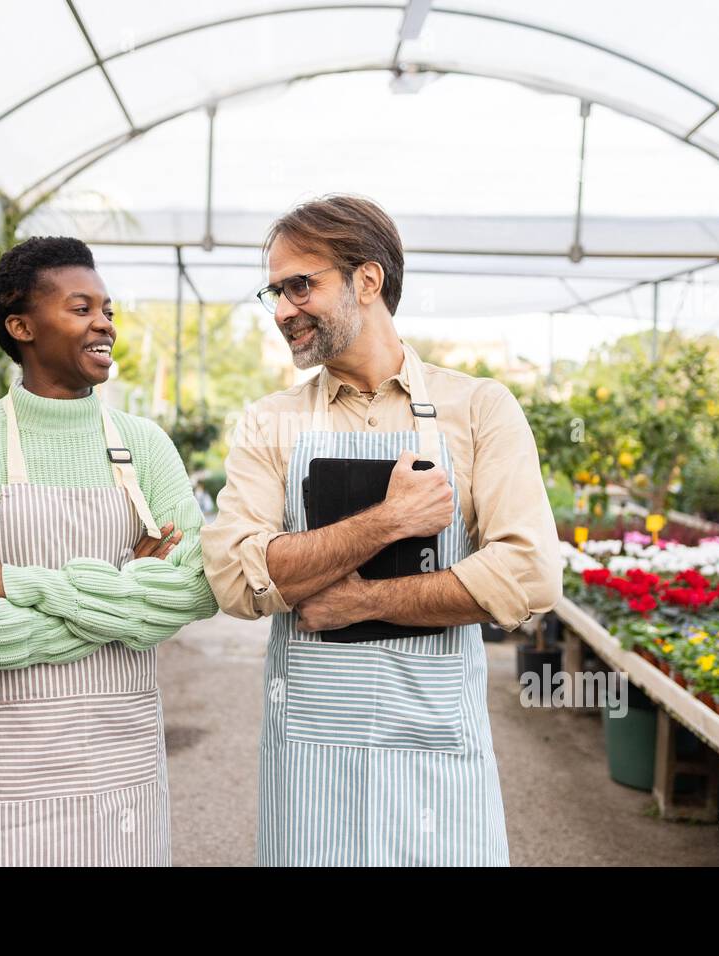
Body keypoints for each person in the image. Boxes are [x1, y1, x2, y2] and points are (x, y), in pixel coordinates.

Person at [201, 195, 562, 866]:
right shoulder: (269, 421)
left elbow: (528, 575)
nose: (281, 310)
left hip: (434, 744)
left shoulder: (479, 407)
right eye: (274, 292)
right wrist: (391, 520)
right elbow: (233, 577)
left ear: (368, 281)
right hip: (311, 749)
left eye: (300, 285)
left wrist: (362, 602)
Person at [0, 236, 218, 866]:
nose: (104, 323)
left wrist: (9, 583)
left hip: (122, 761)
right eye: (81, 309)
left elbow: (195, 588)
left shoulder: (144, 445)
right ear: (22, 326)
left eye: (107, 309)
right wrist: (126, 590)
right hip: (11, 767)